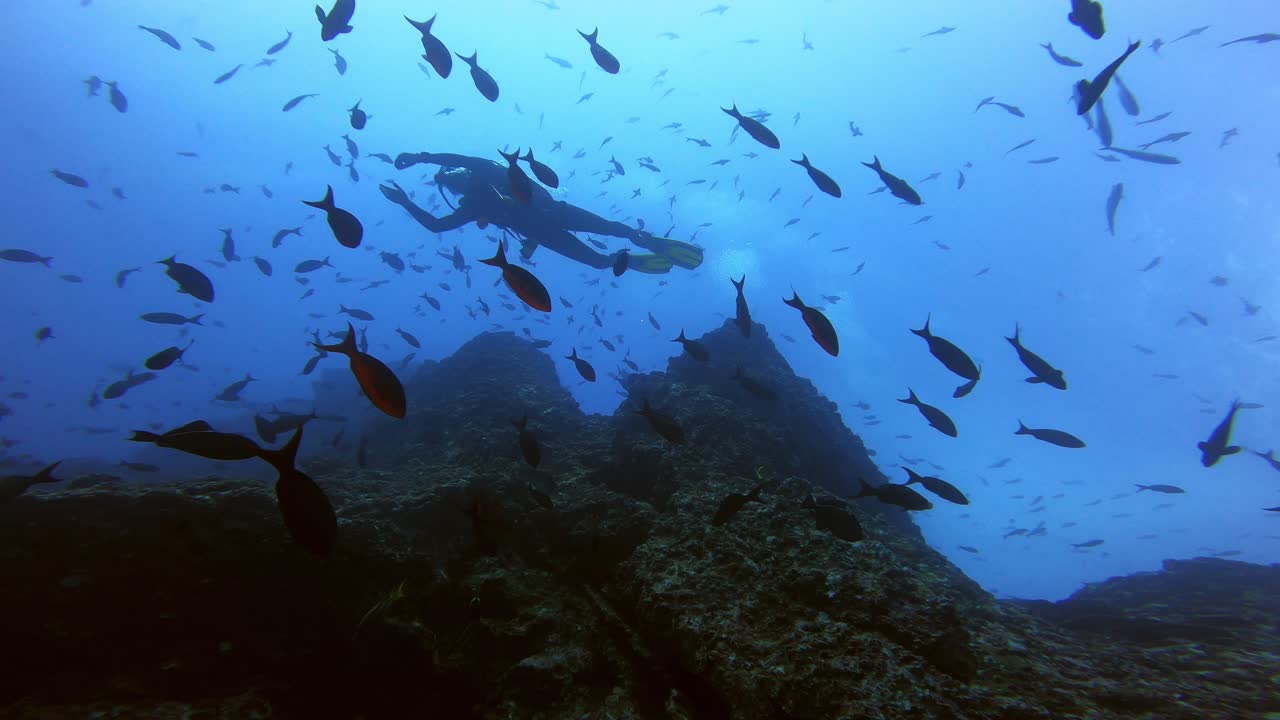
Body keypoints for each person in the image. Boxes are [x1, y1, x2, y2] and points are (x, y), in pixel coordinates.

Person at [378, 151, 703, 274]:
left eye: (456, 173)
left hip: (549, 211)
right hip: (544, 228)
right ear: (458, 189)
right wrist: (405, 201)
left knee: (608, 227)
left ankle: (642, 240)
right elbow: (437, 226)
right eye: (453, 181)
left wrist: (422, 157)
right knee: (596, 260)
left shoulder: (484, 171)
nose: (458, 177)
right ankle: (626, 258)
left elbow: (462, 162)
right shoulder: (472, 204)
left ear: (462, 172)